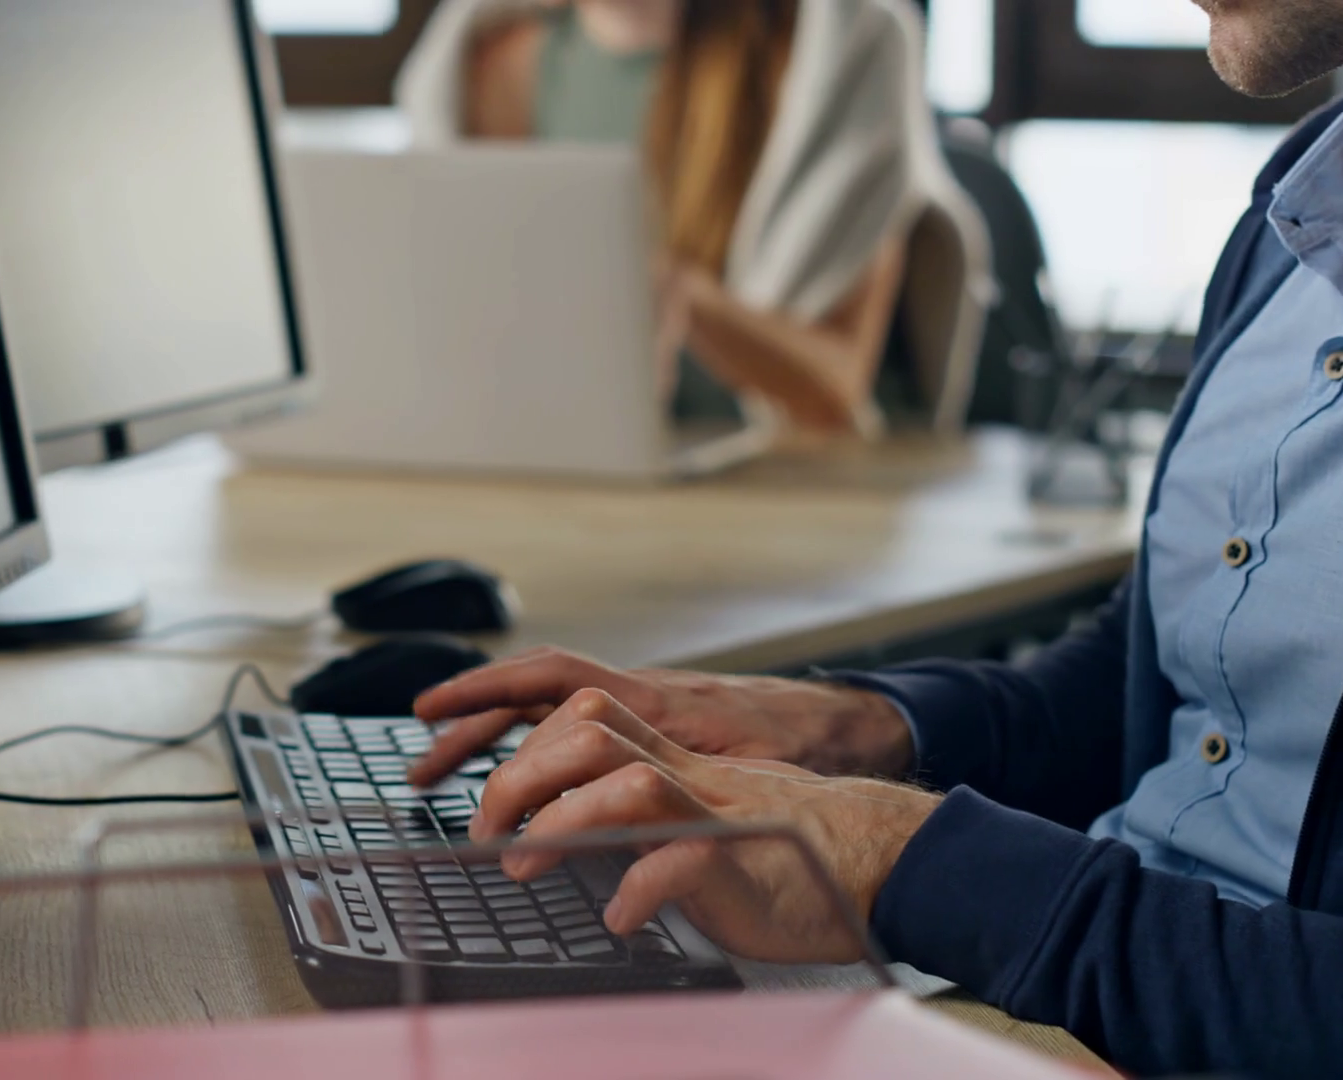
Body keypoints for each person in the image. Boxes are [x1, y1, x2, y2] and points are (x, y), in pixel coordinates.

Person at [407, 3, 1343, 1073]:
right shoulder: (1291, 216)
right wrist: (852, 727)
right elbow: (1156, 684)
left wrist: (907, 860)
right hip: (1059, 996)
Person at [395, 0, 989, 445]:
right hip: (600, 482)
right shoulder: (486, 61)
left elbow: (836, 391)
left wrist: (673, 292)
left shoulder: (829, 55)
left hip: (812, 492)